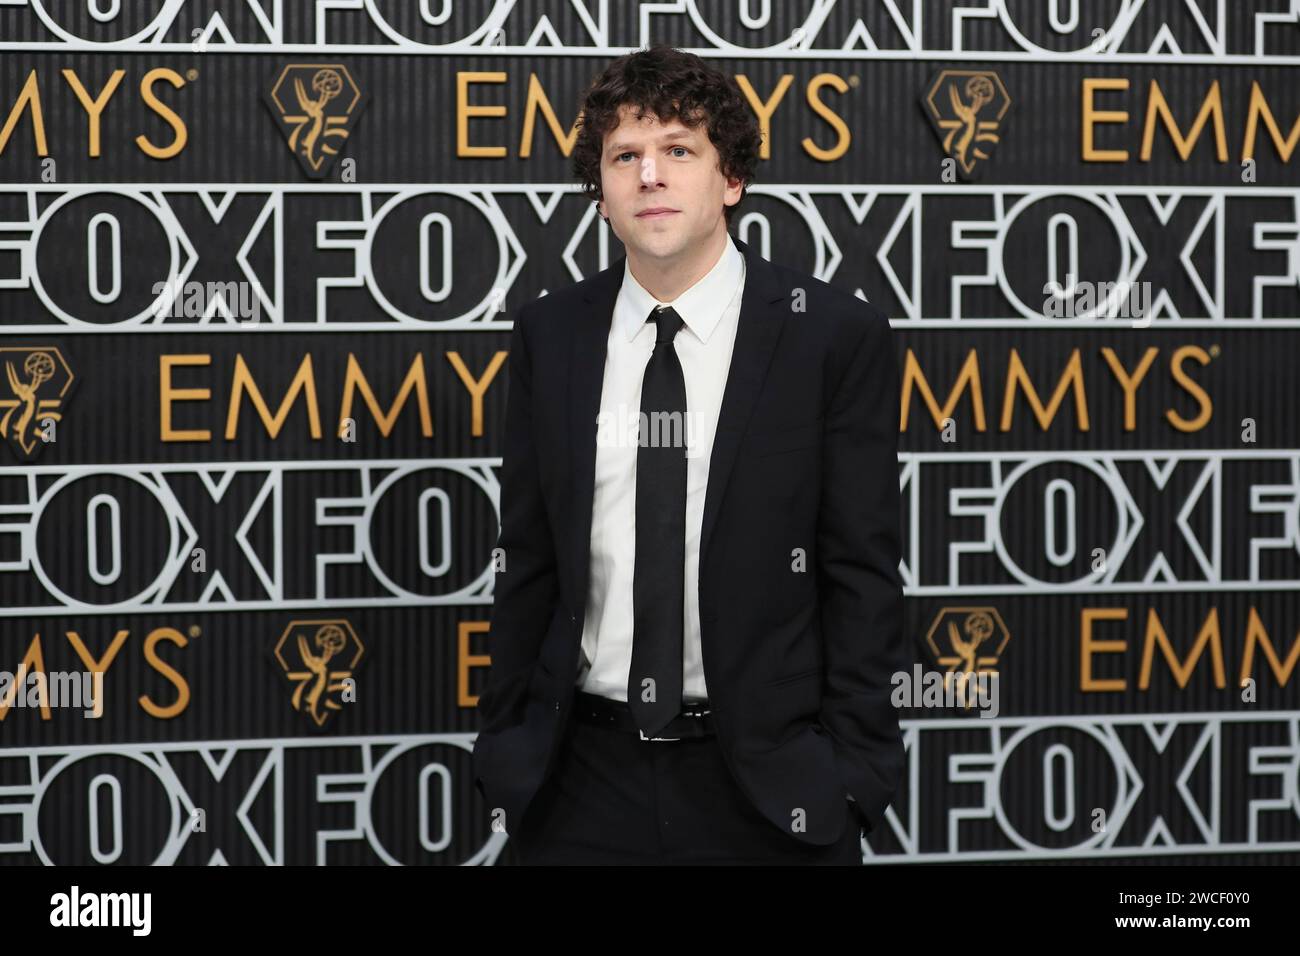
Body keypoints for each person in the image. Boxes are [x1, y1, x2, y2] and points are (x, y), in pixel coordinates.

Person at [472, 44, 906, 865]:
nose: (649, 176)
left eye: (679, 150)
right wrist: (507, 747)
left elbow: (863, 572)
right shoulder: (550, 335)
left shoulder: (830, 337)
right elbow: (527, 560)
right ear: (600, 190)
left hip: (770, 788)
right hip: (576, 781)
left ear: (730, 179)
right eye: (624, 156)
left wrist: (852, 774)